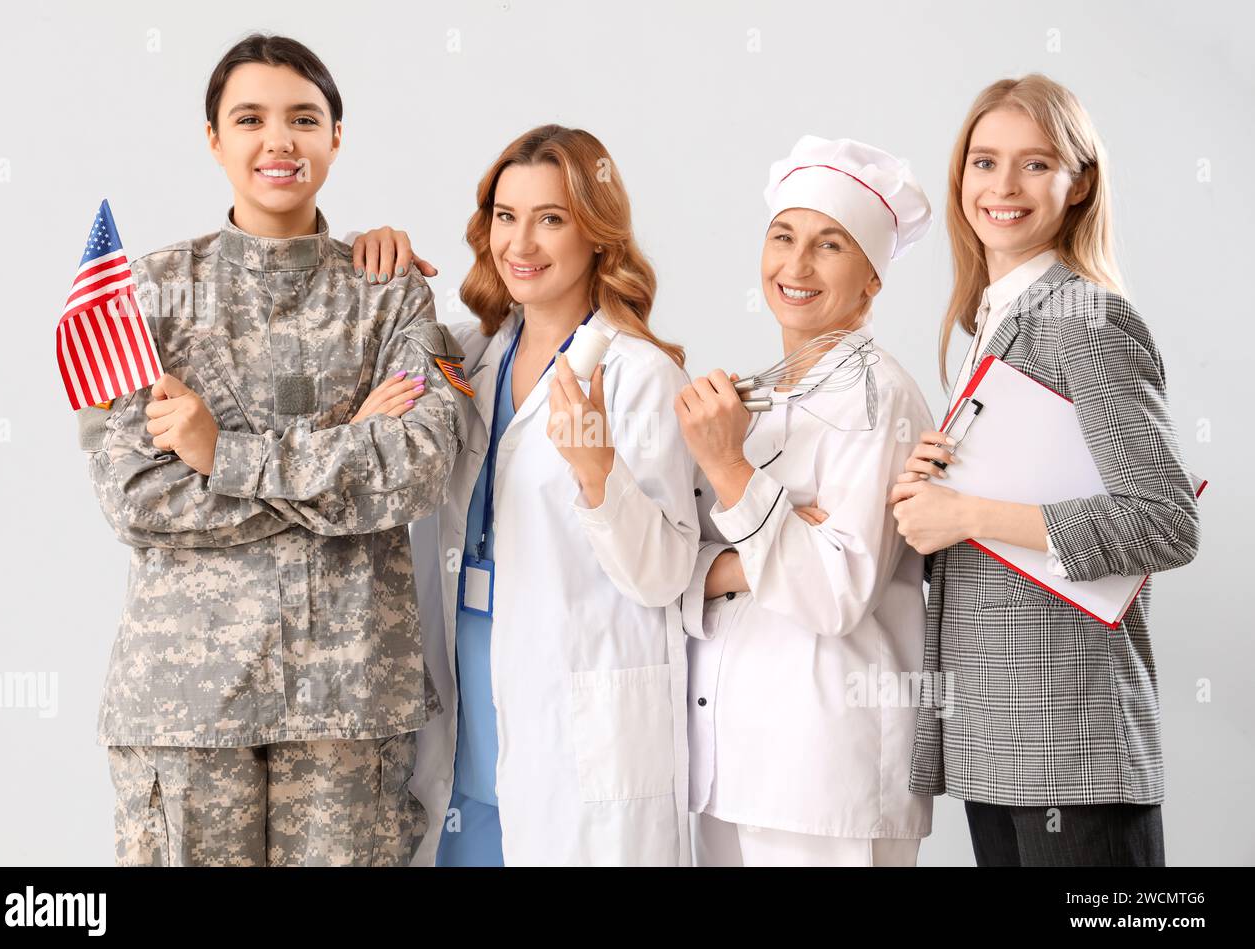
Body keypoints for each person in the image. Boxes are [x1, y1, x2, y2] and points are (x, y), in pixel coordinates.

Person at [76, 33, 463, 866]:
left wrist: (223, 454)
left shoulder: (390, 289)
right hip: (188, 706)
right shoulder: (150, 293)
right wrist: (347, 445)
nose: (278, 140)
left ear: (335, 137)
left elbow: (418, 468)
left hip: (348, 702)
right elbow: (135, 498)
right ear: (213, 138)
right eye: (249, 118)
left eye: (304, 118)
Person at [357, 125, 699, 865]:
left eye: (551, 218)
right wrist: (367, 249)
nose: (522, 242)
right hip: (468, 692)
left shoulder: (639, 377)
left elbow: (668, 571)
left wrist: (598, 474)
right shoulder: (468, 357)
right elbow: (364, 344)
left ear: (598, 235)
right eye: (506, 217)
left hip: (576, 714)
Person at [890, 74, 1201, 866]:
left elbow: (1165, 521)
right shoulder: (993, 322)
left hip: (1072, 745)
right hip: (1000, 739)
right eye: (984, 162)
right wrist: (933, 493)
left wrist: (966, 515)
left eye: (1034, 165)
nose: (1003, 187)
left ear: (1079, 182)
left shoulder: (1086, 319)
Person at [673, 136, 935, 866]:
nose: (795, 266)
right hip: (730, 762)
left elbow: (831, 596)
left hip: (825, 770)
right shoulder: (759, 392)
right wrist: (760, 550)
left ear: (872, 279)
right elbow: (681, 576)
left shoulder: (879, 398)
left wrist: (728, 468)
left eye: (829, 245)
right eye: (783, 237)